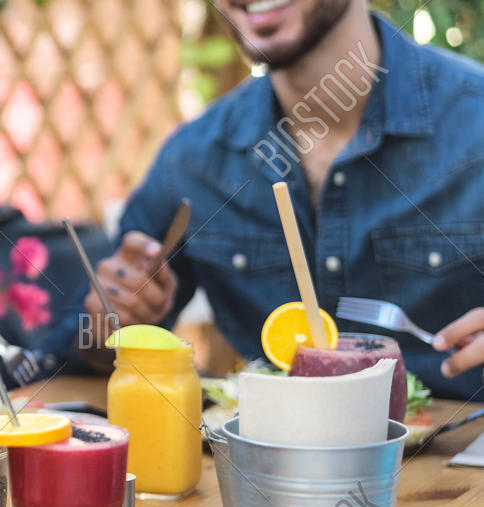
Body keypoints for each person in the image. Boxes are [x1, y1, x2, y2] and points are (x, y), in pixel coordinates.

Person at [83, 1, 484, 399]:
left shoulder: (475, 121)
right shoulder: (194, 159)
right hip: (267, 441)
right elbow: (92, 347)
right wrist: (111, 322)